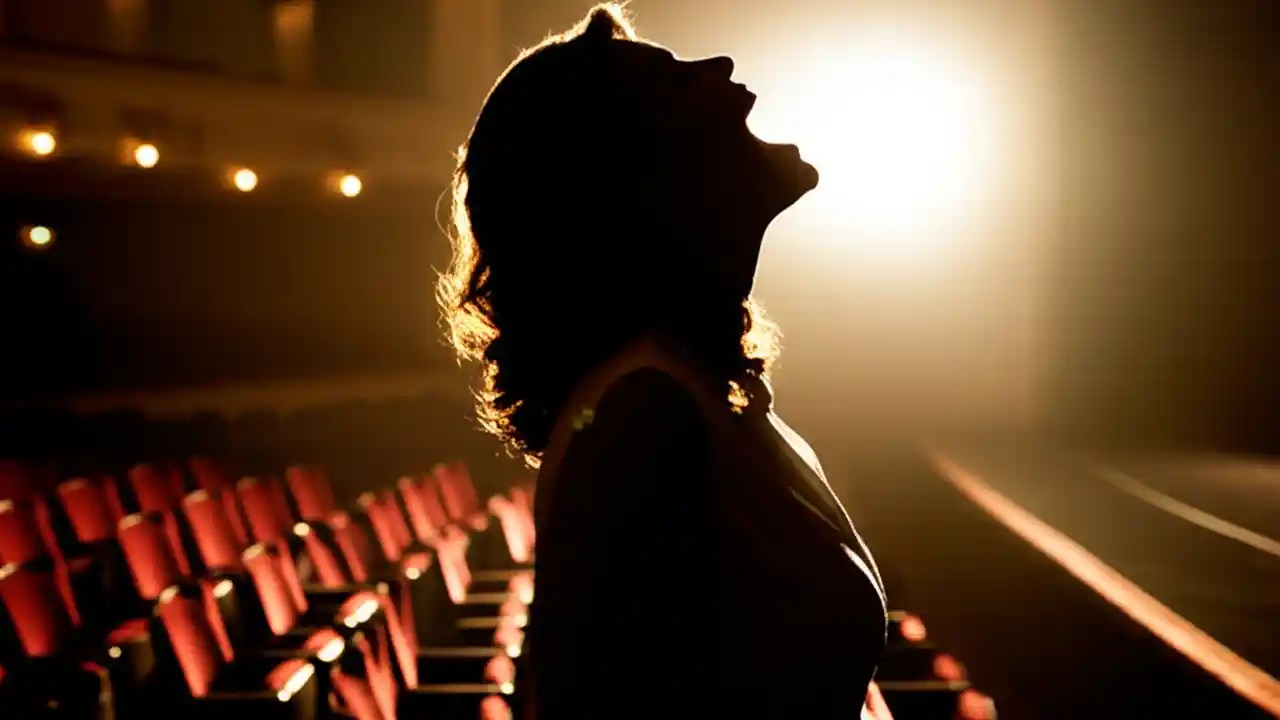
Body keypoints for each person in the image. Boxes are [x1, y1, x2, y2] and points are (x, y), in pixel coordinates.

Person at [438, 4, 886, 717]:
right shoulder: (643, 418)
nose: (722, 68)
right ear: (636, 179)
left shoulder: (697, 388)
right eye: (675, 81)